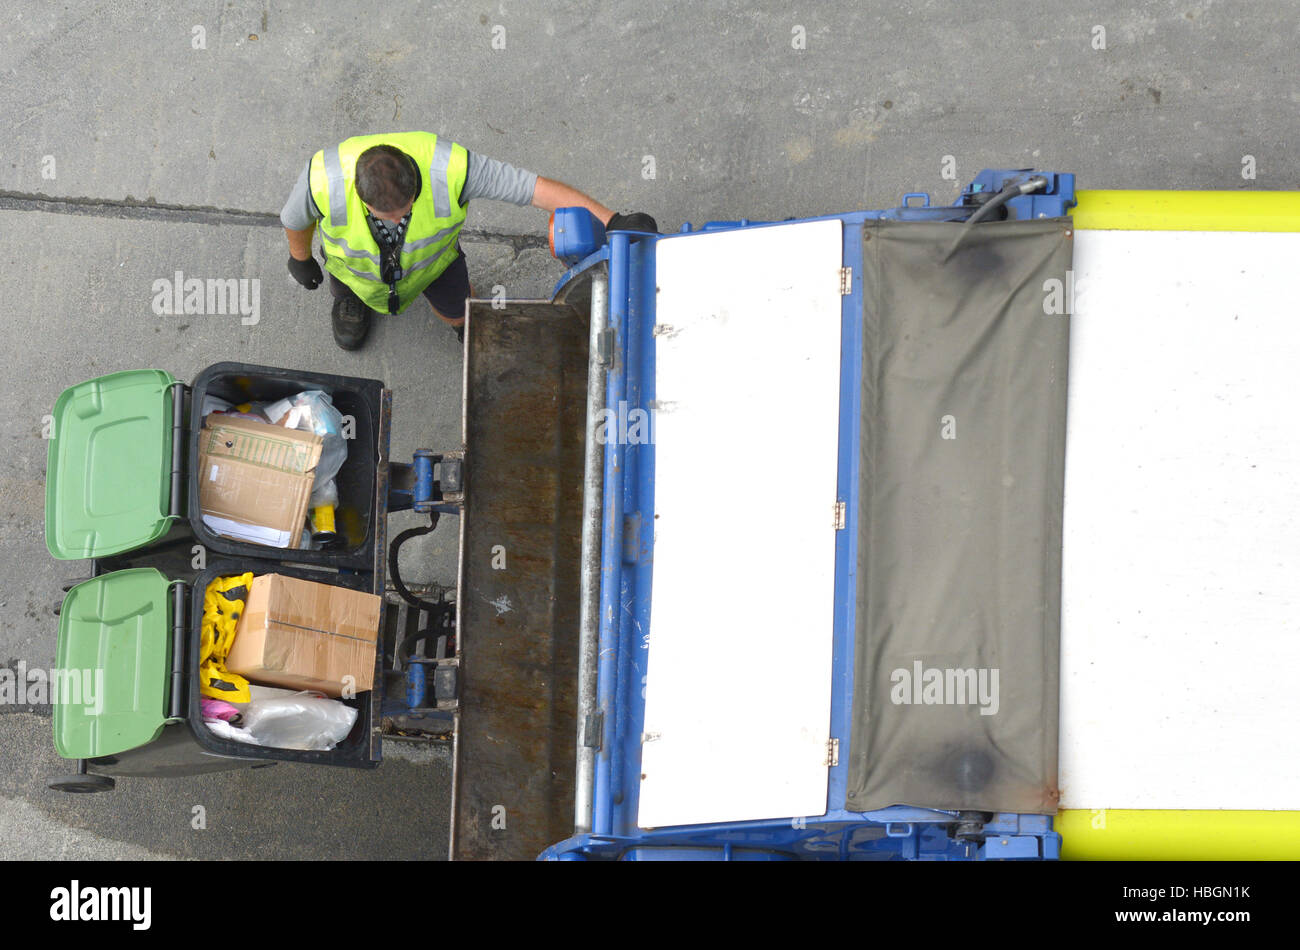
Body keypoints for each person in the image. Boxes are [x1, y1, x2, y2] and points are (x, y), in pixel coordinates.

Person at [281, 131, 656, 349]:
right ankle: (352, 305)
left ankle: (464, 326)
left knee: (458, 309)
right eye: (389, 215)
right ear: (362, 198)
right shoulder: (324, 179)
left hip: (434, 267)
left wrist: (612, 221)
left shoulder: (451, 169)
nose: (400, 219)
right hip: (354, 271)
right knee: (346, 289)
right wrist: (301, 259)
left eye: (406, 208)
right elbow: (294, 219)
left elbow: (532, 189)